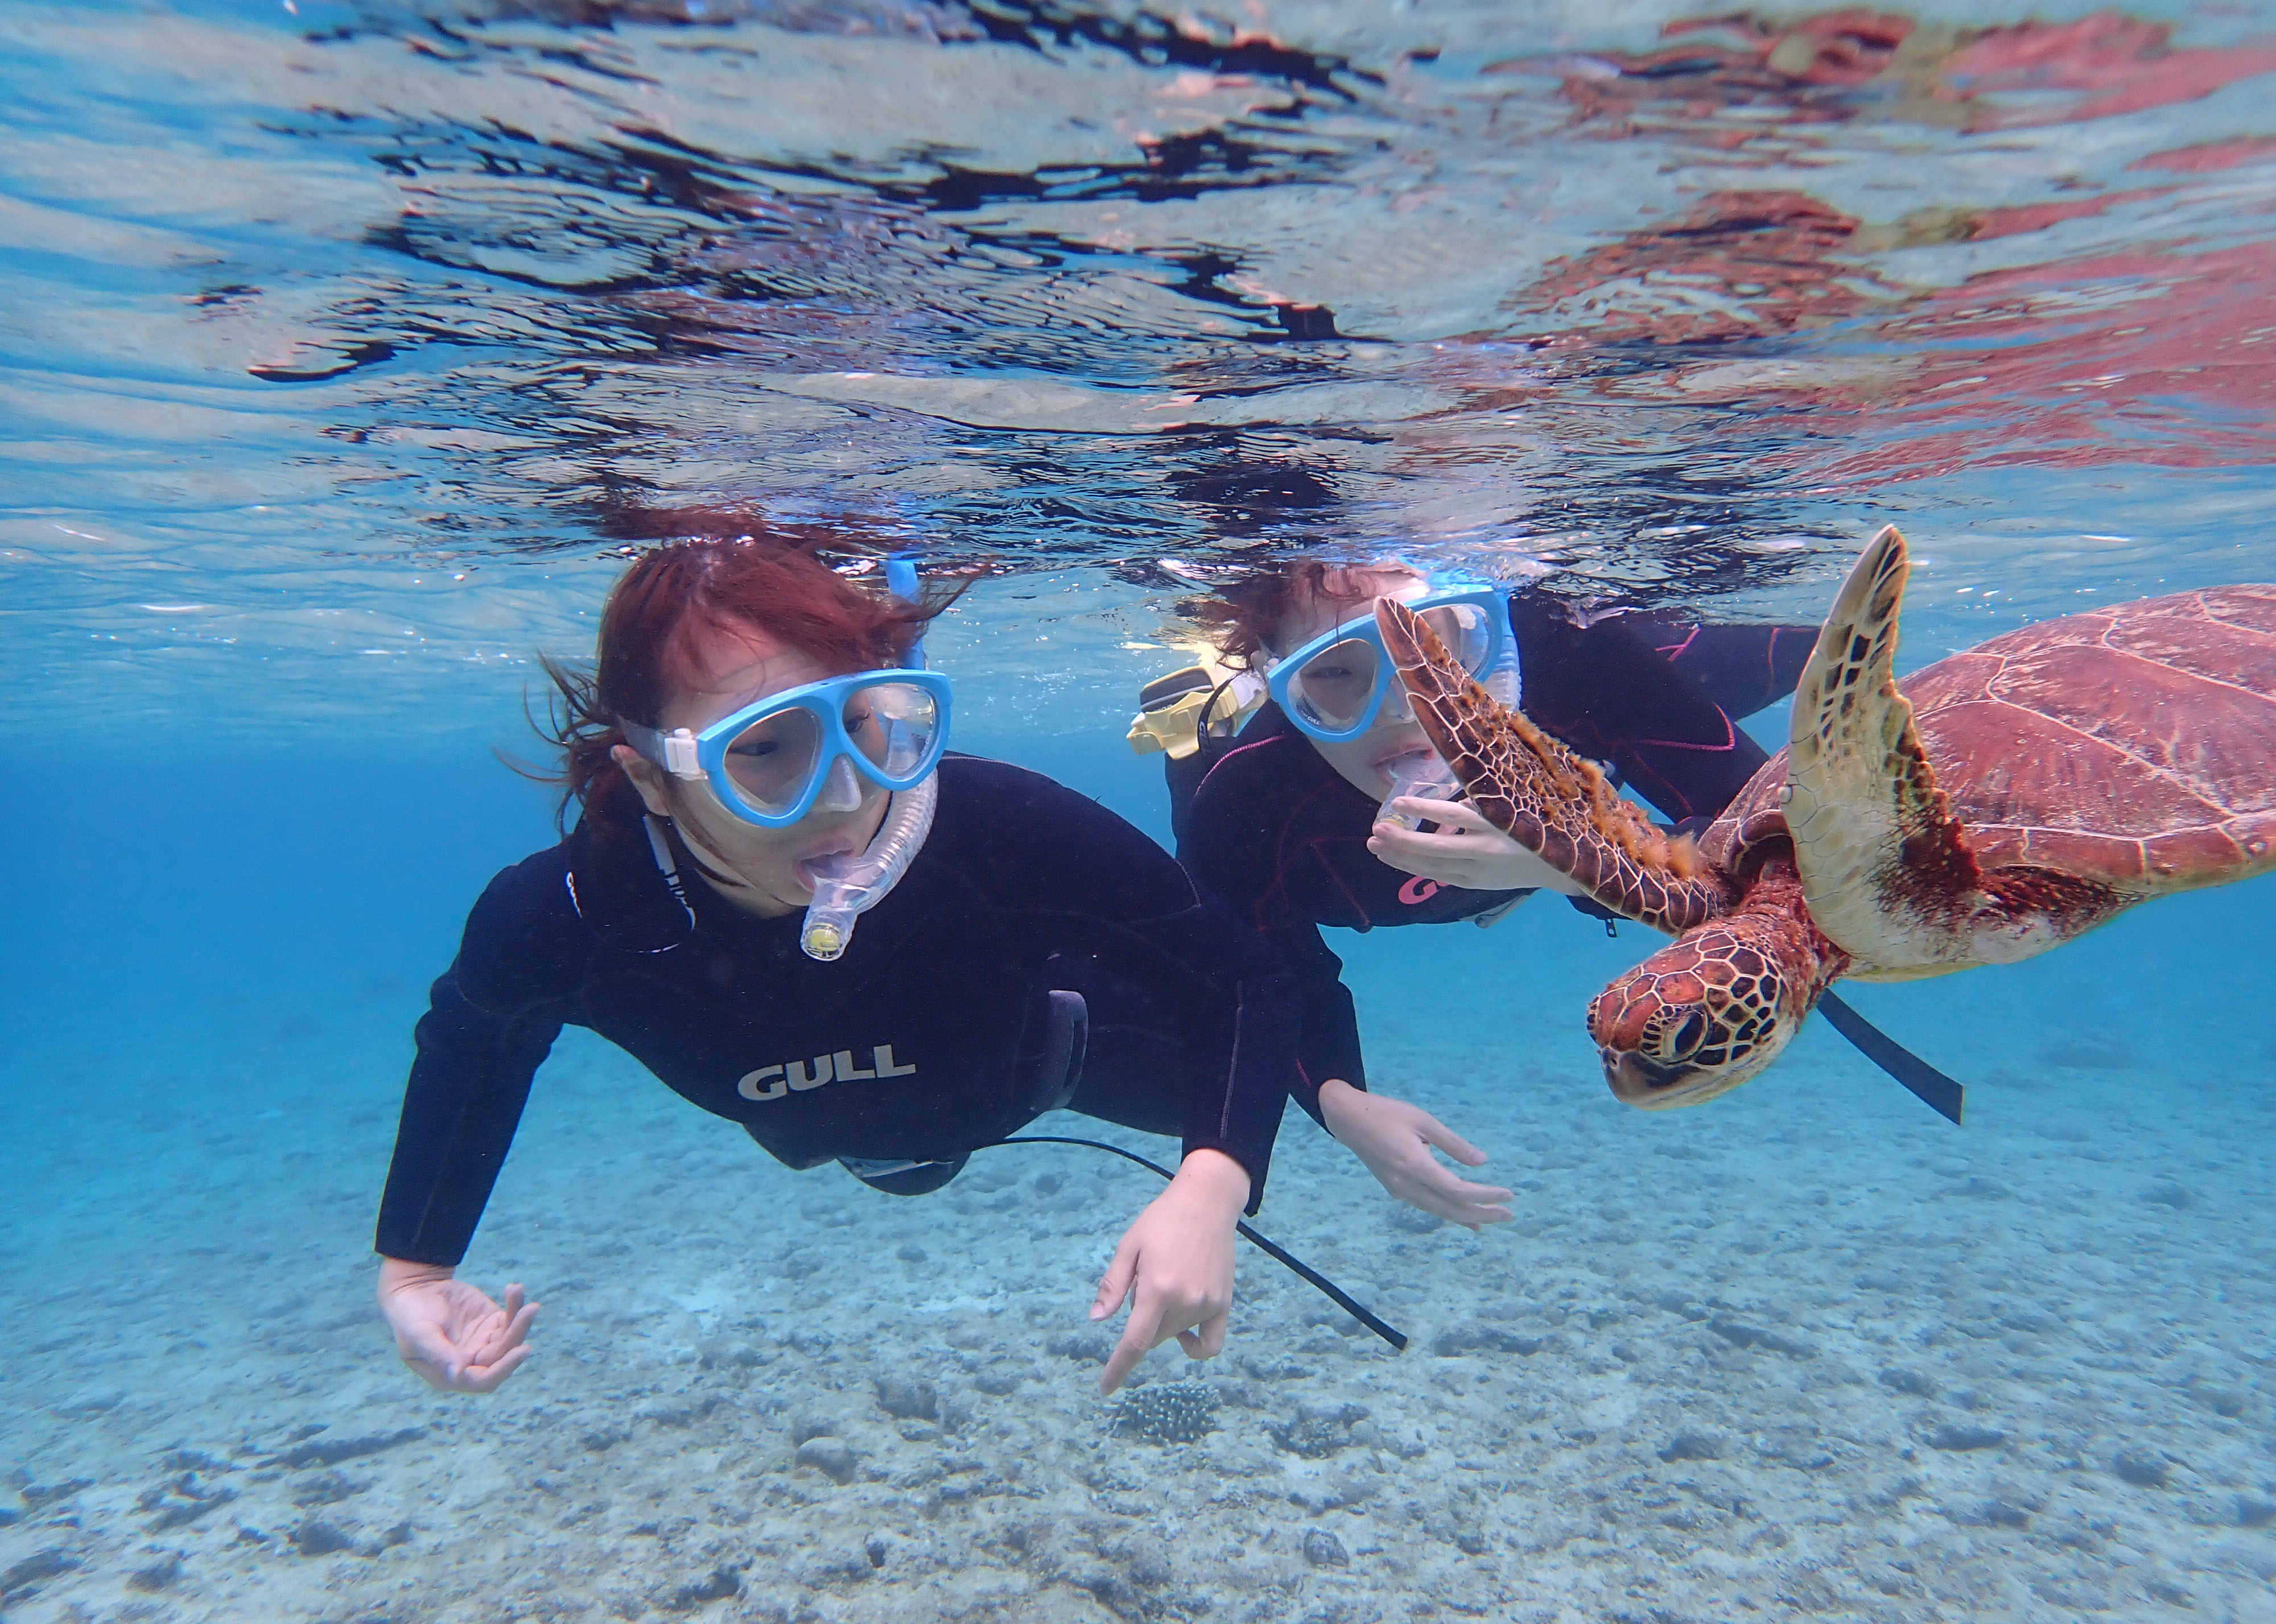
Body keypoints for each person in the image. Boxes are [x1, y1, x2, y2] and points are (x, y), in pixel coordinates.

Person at [373, 519, 1297, 1399]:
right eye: (767, 748)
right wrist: (417, 1268)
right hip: (882, 1113)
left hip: (1051, 1057)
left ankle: (1207, 720)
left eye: (858, 724)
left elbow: (1241, 975)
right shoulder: (571, 915)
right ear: (652, 777)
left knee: (1261, 1098)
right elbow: (474, 1041)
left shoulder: (992, 828)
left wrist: (1213, 1185)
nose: (847, 797)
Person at [1156, 558, 1816, 1228]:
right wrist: (1336, 1097)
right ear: (1284, 689)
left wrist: (1571, 863)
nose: (1411, 706)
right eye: (1332, 672)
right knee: (1197, 889)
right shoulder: (1247, 800)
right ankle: (1204, 702)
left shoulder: (1577, 662)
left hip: (1577, 717)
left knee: (1811, 649)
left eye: (1439, 644)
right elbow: (1258, 977)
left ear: (1493, 635)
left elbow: (1769, 842)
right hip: (1283, 815)